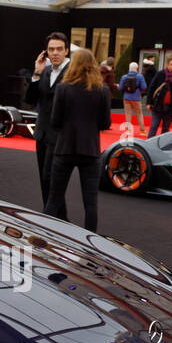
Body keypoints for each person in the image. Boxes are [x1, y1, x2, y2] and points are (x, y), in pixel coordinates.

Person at [45, 48, 112, 233]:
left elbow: (55, 121)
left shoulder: (63, 88)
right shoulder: (103, 90)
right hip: (90, 150)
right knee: (90, 203)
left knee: (53, 199)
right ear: (93, 66)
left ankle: (43, 237)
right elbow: (105, 123)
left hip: (64, 148)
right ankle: (90, 245)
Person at [25, 31, 71, 205]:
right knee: (45, 180)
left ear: (66, 51)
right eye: (51, 49)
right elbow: (30, 100)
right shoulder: (44, 71)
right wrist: (36, 74)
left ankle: (55, 218)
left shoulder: (72, 72)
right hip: (42, 134)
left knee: (51, 180)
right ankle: (54, 217)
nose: (55, 53)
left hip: (60, 135)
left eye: (59, 49)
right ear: (46, 51)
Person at [146, 56, 172, 136]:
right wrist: (148, 102)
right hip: (157, 105)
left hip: (171, 107)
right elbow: (152, 88)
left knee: (166, 128)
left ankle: (162, 146)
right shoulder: (160, 74)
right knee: (154, 126)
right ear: (167, 65)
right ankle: (149, 142)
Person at [119, 61, 147, 135]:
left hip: (126, 97)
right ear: (136, 69)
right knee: (139, 113)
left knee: (128, 113)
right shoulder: (140, 76)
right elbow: (144, 87)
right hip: (136, 97)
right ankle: (142, 131)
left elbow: (120, 88)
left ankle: (129, 130)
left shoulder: (124, 77)